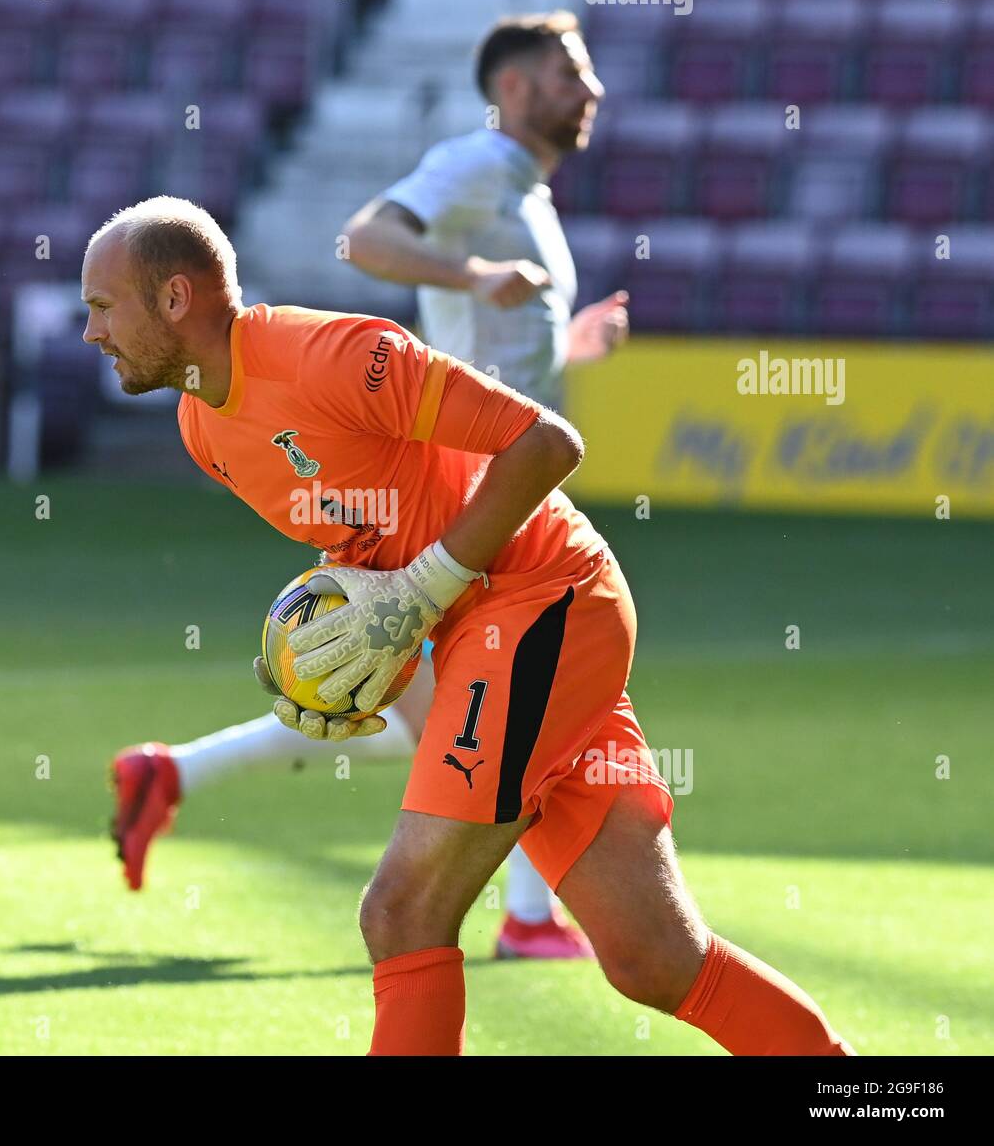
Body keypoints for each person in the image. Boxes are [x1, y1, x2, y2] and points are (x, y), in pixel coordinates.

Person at [83, 195, 855, 1056]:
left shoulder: (337, 356)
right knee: (653, 957)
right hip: (487, 630)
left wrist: (419, 591)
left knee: (403, 909)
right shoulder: (202, 426)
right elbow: (370, 538)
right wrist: (343, 660)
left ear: (177, 298)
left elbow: (547, 444)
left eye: (102, 306)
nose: (91, 332)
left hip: (544, 597)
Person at [111, 12, 630, 959]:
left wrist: (567, 340)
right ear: (512, 87)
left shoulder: (529, 194)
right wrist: (473, 272)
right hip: (466, 491)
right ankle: (522, 915)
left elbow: (504, 351)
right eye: (570, 72)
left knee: (446, 719)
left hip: (499, 483)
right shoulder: (478, 164)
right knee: (492, 723)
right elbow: (370, 238)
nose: (589, 90)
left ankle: (173, 772)